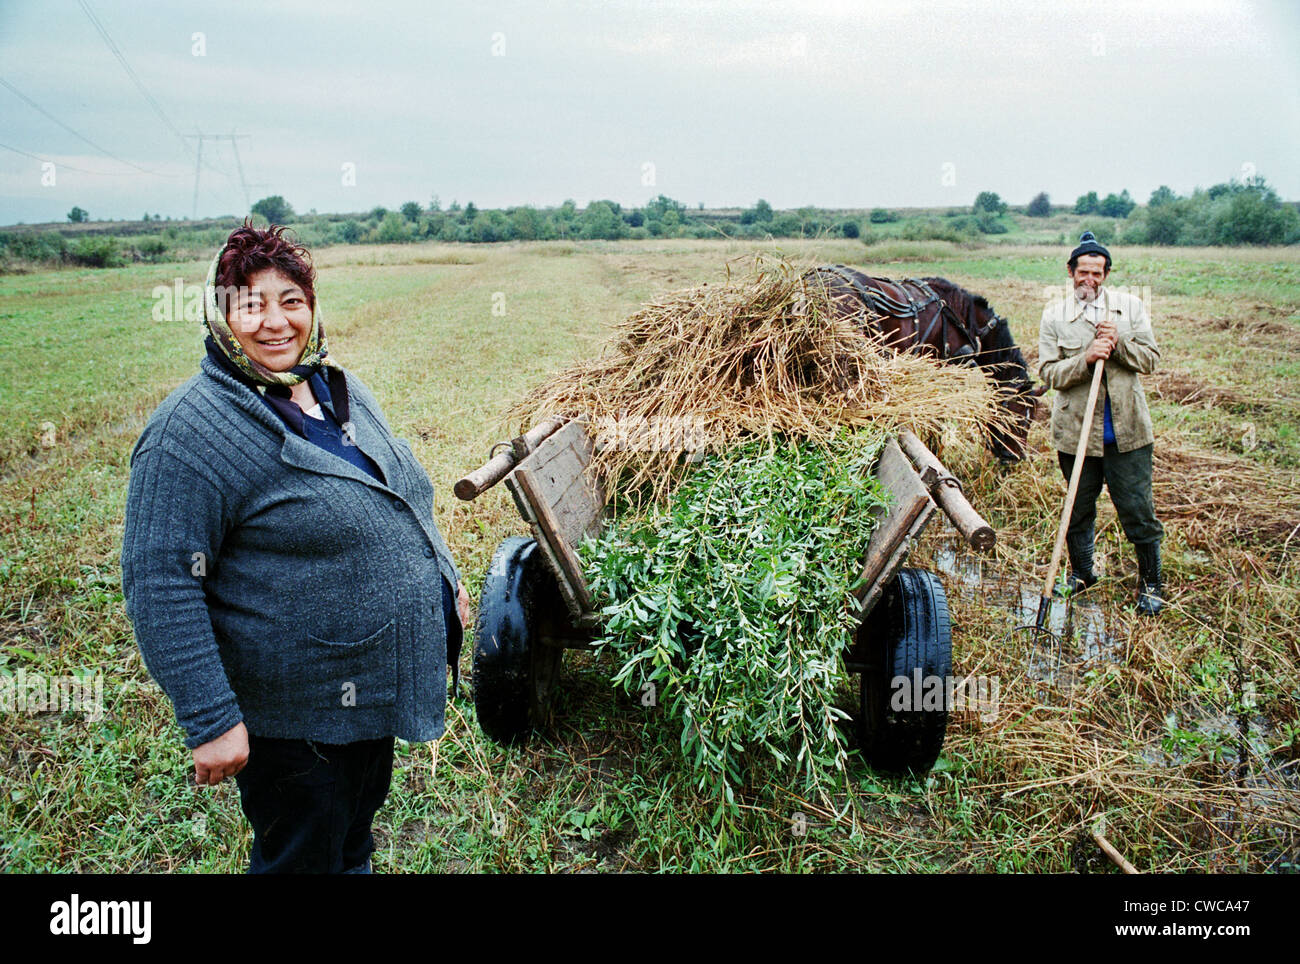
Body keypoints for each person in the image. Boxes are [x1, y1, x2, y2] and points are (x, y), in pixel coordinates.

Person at [121, 221, 469, 872]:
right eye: (251, 303)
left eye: (292, 300)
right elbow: (160, 582)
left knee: (350, 845)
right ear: (221, 314)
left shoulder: (336, 386)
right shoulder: (188, 434)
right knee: (302, 858)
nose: (275, 322)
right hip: (295, 718)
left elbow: (405, 490)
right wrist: (210, 719)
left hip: (363, 697)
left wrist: (443, 579)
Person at [1037, 232, 1164, 615]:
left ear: (1106, 274)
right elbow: (1047, 373)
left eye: (1097, 272)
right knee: (1077, 511)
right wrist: (1087, 358)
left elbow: (1151, 359)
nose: (1088, 279)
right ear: (1070, 271)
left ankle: (1152, 583)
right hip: (1076, 436)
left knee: (1137, 511)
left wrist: (1119, 343)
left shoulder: (1131, 308)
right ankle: (1082, 574)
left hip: (1127, 435)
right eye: (1082, 272)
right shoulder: (1054, 316)